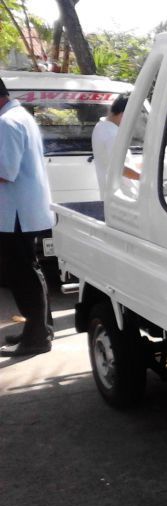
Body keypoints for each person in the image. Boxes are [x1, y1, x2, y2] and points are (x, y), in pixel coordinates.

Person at [0, 76, 54, 357]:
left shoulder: (6, 123)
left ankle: (36, 338)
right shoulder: (19, 116)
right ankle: (39, 330)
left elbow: (5, 172)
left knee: (23, 276)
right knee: (29, 272)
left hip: (15, 214)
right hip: (20, 211)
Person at [91, 94, 140, 194]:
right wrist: (145, 178)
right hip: (123, 196)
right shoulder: (112, 135)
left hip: (112, 194)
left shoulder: (101, 125)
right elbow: (120, 168)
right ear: (123, 115)